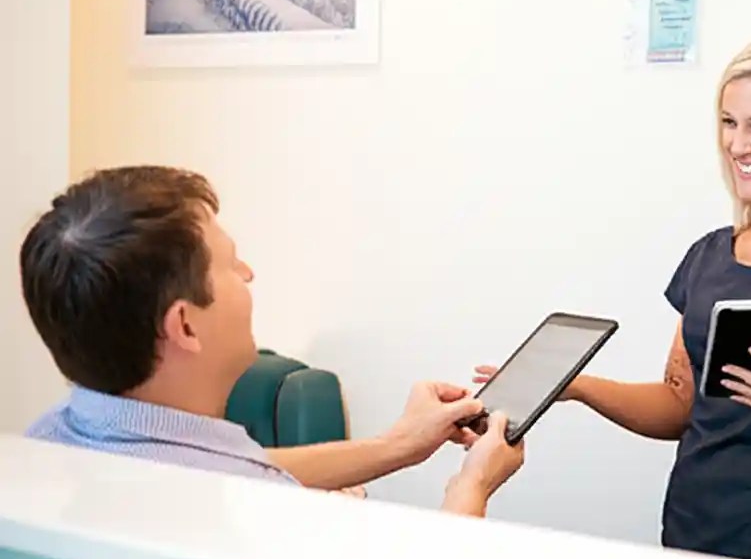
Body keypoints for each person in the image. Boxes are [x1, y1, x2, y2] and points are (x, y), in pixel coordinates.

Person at [476, 28, 751, 559]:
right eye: (729, 123)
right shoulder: (709, 257)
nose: (738, 145)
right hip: (692, 533)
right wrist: (576, 386)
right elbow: (680, 404)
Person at [21, 165, 523, 518]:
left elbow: (219, 468)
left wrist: (398, 446)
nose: (248, 273)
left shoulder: (45, 446)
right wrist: (471, 487)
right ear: (185, 326)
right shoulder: (244, 516)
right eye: (230, 264)